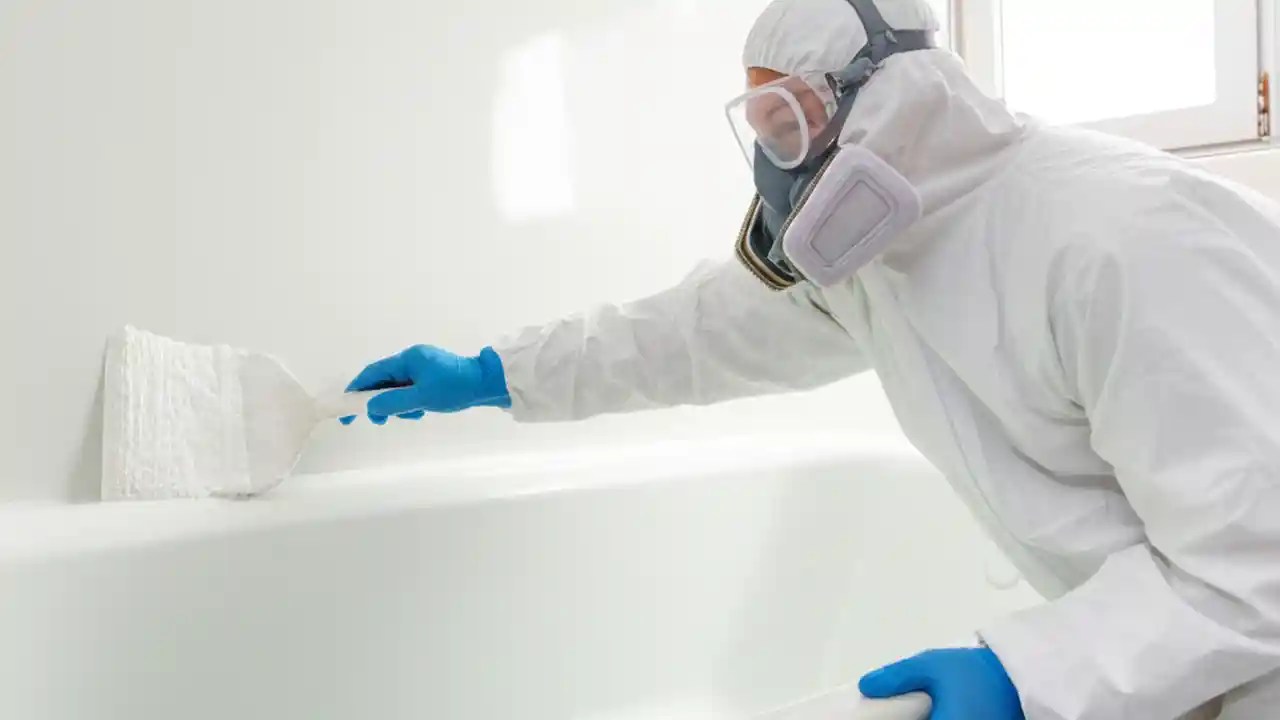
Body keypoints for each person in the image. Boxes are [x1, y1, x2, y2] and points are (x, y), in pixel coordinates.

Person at [341, 0, 1280, 717]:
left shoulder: (1125, 239)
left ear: (900, 95)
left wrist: (1033, 671)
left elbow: (1255, 566)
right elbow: (696, 333)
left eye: (787, 124)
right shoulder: (886, 261)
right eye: (762, 128)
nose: (773, 166)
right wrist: (498, 374)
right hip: (1176, 673)